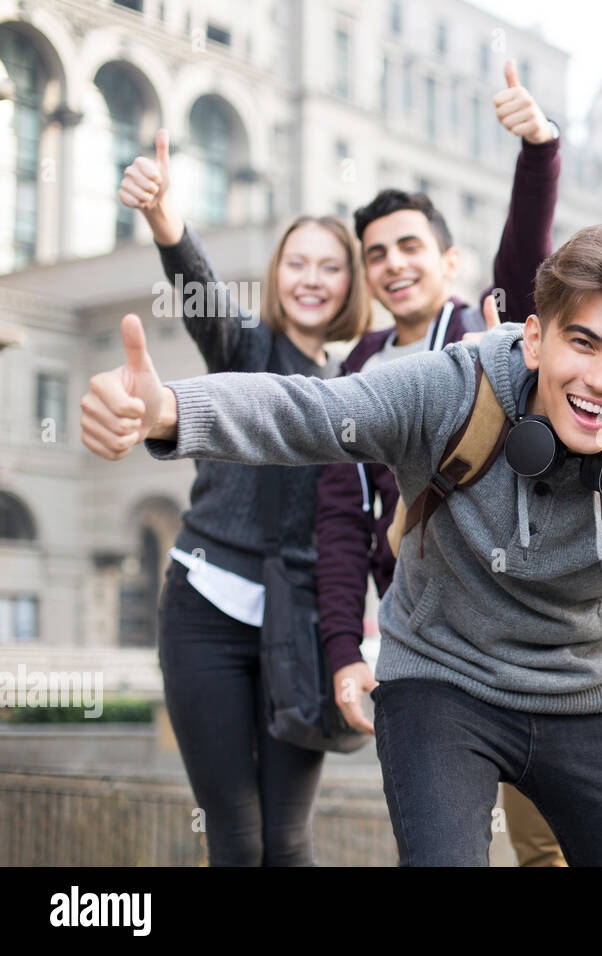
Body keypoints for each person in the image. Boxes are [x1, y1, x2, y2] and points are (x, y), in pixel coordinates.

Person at [81, 224, 602, 867]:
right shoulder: (454, 391)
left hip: (579, 696)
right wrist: (169, 413)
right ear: (535, 337)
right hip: (438, 684)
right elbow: (312, 414)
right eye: (582, 342)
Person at [313, 58, 566, 866]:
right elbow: (341, 522)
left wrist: (538, 153)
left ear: (447, 260)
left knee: (544, 847)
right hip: (425, 643)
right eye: (376, 252)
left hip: (525, 626)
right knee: (439, 849)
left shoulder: (490, 331)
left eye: (410, 246)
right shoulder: (355, 374)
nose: (393, 263)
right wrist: (345, 653)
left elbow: (527, 265)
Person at [112, 129, 371, 865]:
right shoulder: (248, 350)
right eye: (297, 264)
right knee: (233, 832)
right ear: (277, 273)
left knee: (288, 838)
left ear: (350, 285)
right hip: (205, 610)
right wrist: (168, 222)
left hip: (302, 622)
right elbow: (204, 301)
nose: (312, 279)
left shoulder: (360, 388)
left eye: (330, 267)